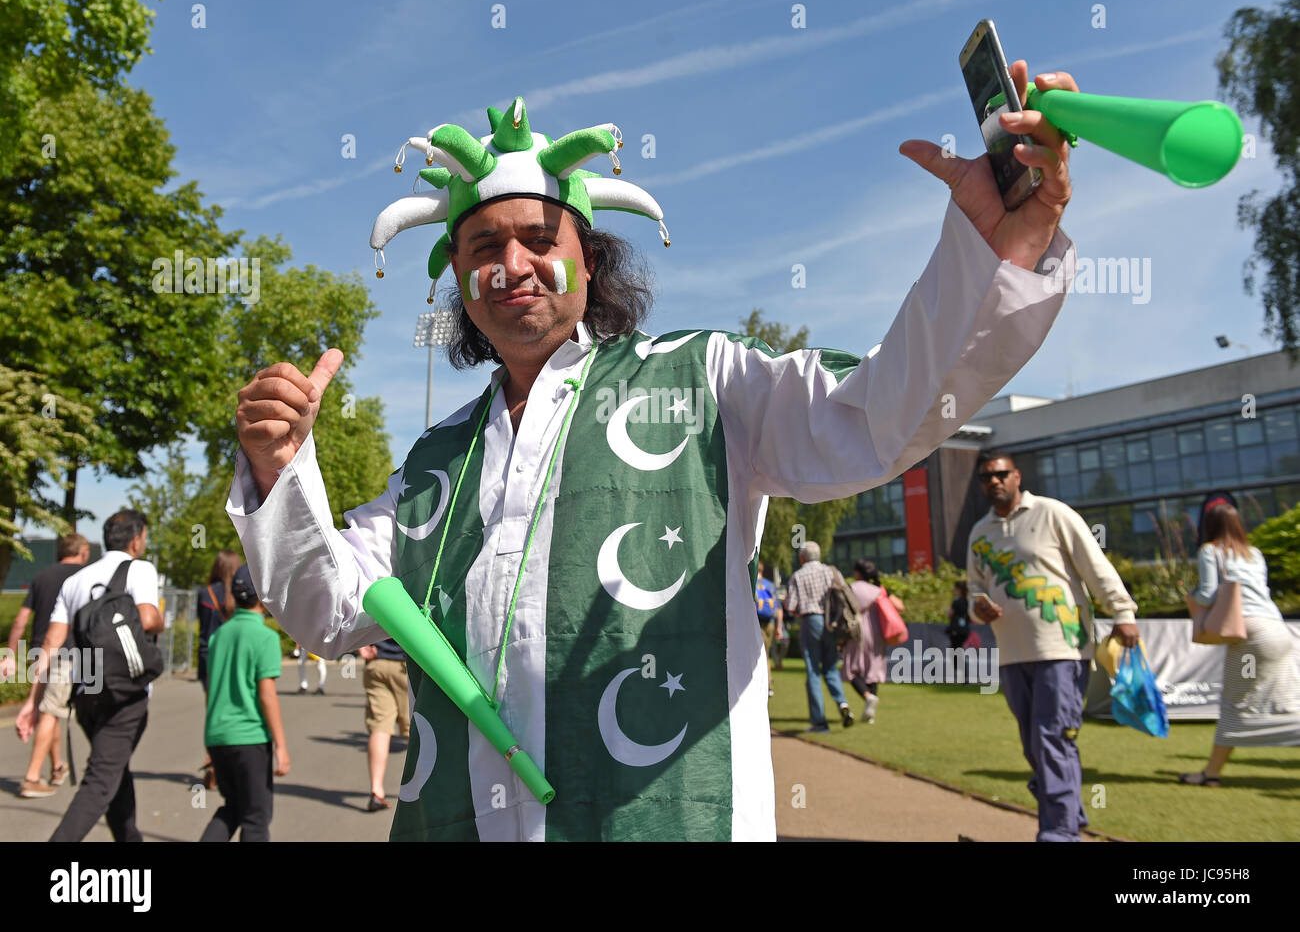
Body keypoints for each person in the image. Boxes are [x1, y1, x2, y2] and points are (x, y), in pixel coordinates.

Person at [229, 70, 1083, 841]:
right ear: (458, 277)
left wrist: (987, 254)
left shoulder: (706, 381)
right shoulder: (434, 463)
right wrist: (278, 467)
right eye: (484, 248)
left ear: (588, 263)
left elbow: (872, 419)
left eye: (537, 238)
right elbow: (326, 608)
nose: (513, 263)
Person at [966, 451, 1139, 841]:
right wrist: (977, 607)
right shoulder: (980, 533)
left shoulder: (1053, 514)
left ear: (1016, 476)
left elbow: (1094, 566)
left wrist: (1123, 612)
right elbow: (975, 587)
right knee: (1034, 744)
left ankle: (1058, 832)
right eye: (985, 477)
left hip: (1061, 649)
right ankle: (1070, 815)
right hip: (1012, 653)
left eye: (1001, 474)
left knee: (1052, 737)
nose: (993, 481)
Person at [16, 510, 161, 842]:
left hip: (86, 693)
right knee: (101, 780)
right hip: (126, 693)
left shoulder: (75, 580)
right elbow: (149, 619)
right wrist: (157, 621)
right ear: (137, 539)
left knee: (113, 771)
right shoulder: (139, 569)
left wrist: (32, 701)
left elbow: (51, 644)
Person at [1179, 502, 1300, 786]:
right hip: (1278, 631)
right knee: (1285, 702)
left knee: (1235, 703)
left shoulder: (1210, 551)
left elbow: (1208, 596)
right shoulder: (1254, 554)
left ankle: (1210, 774)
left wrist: (1190, 594)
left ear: (1209, 525)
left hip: (1251, 636)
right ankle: (1211, 773)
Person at [200, 564, 289, 841]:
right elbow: (266, 695)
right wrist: (281, 746)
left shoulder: (218, 637)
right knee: (256, 817)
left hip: (217, 735)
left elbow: (213, 688)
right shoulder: (266, 638)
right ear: (263, 596)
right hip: (249, 737)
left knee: (233, 808)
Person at [5, 534, 90, 798]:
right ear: (83, 551)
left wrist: (9, 653)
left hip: (38, 654)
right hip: (66, 653)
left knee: (46, 710)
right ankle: (31, 778)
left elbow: (21, 619)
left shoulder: (41, 576)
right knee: (50, 712)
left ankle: (57, 766)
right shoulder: (85, 578)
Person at [785, 543, 854, 731]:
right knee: (831, 667)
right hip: (832, 622)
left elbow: (790, 605)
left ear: (802, 558)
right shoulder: (831, 571)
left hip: (810, 620)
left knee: (813, 670)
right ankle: (843, 703)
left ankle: (819, 722)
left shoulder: (798, 575)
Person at [197, 549, 240, 788]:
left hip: (210, 661)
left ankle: (213, 760)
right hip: (234, 661)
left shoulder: (206, 594)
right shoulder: (241, 595)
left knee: (213, 714)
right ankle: (232, 762)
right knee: (235, 711)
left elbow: (203, 632)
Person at [842, 559, 898, 724]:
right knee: (873, 670)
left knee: (851, 669)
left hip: (857, 632)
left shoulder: (851, 588)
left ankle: (867, 697)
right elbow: (897, 606)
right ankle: (870, 714)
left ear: (858, 573)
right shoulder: (879, 590)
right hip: (877, 633)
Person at [358, 638, 409, 810]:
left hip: (376, 660)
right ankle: (425, 791)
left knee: (380, 728)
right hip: (406, 663)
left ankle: (376, 791)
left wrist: (361, 644)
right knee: (415, 728)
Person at [755, 561, 782, 696]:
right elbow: (778, 608)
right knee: (766, 654)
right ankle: (768, 685)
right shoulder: (770, 585)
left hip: (756, 622)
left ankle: (763, 685)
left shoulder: (751, 582)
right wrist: (779, 627)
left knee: (756, 656)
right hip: (770, 623)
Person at [946, 580, 972, 649]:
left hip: (956, 629)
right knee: (960, 648)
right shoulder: (968, 600)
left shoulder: (957, 601)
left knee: (955, 649)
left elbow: (950, 614)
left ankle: (957, 660)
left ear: (958, 589)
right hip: (965, 629)